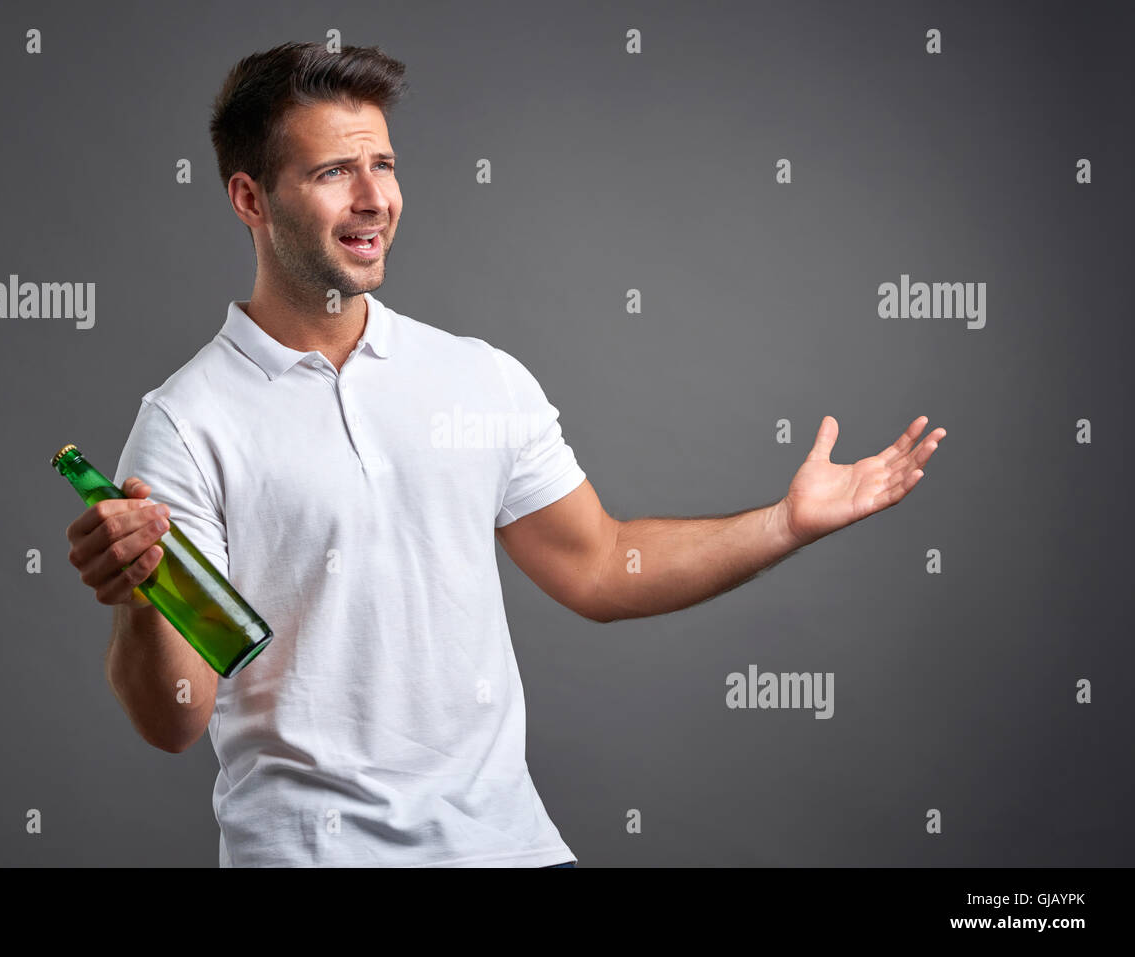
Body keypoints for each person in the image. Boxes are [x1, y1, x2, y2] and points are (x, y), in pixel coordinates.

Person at [64, 42, 945, 868]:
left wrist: (784, 523)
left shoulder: (476, 376)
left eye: (386, 164)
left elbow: (601, 565)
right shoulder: (186, 423)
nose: (376, 198)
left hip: (509, 849)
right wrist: (140, 595)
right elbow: (174, 720)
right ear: (250, 198)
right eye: (335, 171)